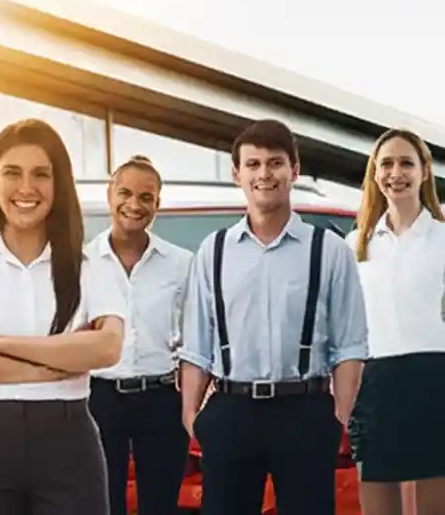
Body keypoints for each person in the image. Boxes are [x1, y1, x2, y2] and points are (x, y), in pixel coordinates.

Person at [0, 118, 128, 514]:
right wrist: (52, 364)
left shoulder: (92, 265)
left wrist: (2, 345)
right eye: (12, 173)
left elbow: (107, 347)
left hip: (68, 440)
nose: (26, 188)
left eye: (41, 174)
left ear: (59, 185)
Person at [178, 118, 368, 515]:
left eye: (275, 162)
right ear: (237, 174)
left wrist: (338, 419)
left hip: (305, 411)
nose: (264, 173)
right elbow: (196, 345)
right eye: (253, 164)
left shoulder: (329, 251)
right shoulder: (213, 251)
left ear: (294, 170)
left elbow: (350, 344)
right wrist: (193, 418)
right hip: (231, 409)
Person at [345, 128, 445, 514]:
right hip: (376, 387)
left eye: (406, 162)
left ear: (424, 172)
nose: (396, 172)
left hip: (435, 382)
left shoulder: (442, 238)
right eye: (386, 163)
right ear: (374, 174)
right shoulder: (354, 246)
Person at [87, 155, 193, 515]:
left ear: (157, 204)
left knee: (161, 504)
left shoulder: (181, 264)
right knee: (102, 503)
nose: (134, 205)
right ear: (109, 195)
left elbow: (194, 336)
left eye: (146, 197)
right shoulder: (81, 262)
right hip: (98, 398)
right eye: (125, 193)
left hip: (161, 399)